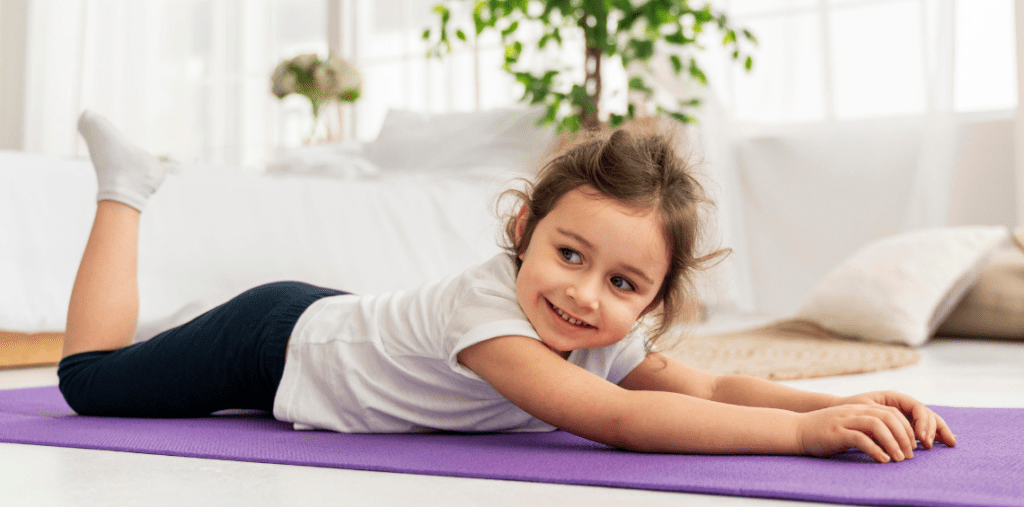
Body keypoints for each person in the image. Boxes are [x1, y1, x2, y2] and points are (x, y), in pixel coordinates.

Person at [59, 111, 955, 464]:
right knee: (91, 382)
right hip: (275, 341)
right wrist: (799, 436)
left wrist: (842, 403)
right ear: (524, 229)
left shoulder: (601, 327)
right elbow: (620, 420)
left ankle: (174, 327)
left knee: (155, 362)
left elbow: (712, 390)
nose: (584, 296)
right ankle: (127, 187)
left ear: (648, 303)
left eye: (622, 282)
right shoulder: (490, 316)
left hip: (340, 330)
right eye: (568, 254)